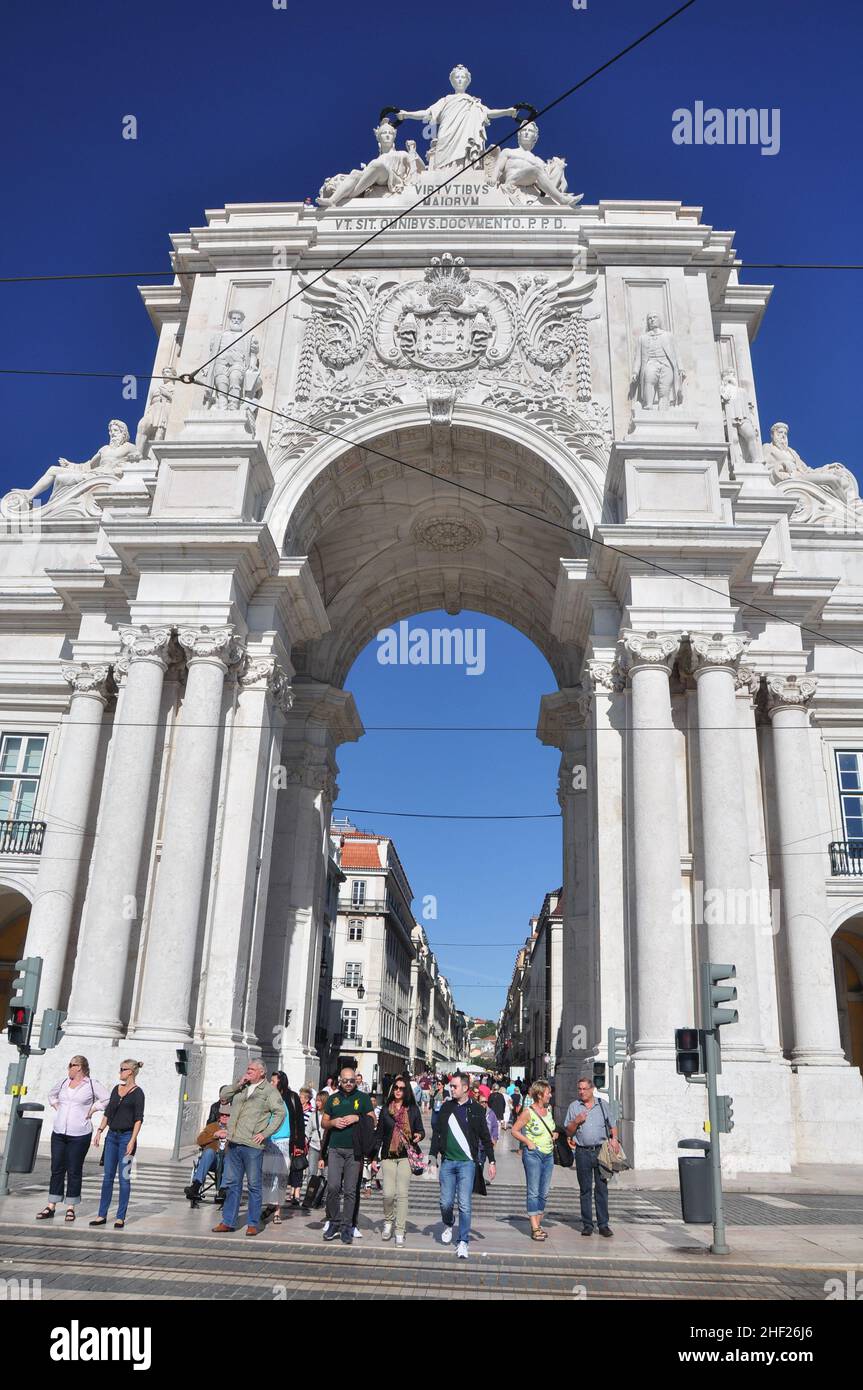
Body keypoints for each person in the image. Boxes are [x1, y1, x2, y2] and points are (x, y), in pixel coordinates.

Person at [212, 1060, 286, 1237]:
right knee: (232, 1184)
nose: (248, 1072)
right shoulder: (242, 1087)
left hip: (253, 1145)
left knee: (254, 1185)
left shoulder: (269, 1091)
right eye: (248, 1069)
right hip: (234, 1142)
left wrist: (266, 1133)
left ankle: (252, 1223)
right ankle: (228, 1221)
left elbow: (280, 1113)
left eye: (252, 1070)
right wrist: (238, 1083)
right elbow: (223, 1096)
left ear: (262, 1073)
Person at [430, 1071, 496, 1260]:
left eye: (454, 1086)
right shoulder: (446, 1108)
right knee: (446, 1203)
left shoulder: (476, 1109)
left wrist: (491, 1161)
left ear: (465, 1088)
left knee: (465, 1204)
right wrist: (433, 1156)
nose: (451, 1089)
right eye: (451, 1086)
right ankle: (449, 1222)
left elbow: (485, 1136)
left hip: (467, 1163)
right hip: (448, 1162)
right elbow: (437, 1133)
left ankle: (463, 1242)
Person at [37, 1056, 109, 1223]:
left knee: (74, 1169)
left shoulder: (91, 1084)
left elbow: (107, 1099)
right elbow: (51, 1095)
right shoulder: (63, 1082)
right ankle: (51, 1205)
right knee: (56, 1168)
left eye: (71, 1065)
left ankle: (71, 1207)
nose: (68, 1067)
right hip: (59, 1132)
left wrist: (93, 1109)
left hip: (80, 1133)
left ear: (79, 1068)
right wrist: (57, 1107)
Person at [322, 1063, 375, 1245]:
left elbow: (372, 1119)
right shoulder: (332, 1099)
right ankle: (334, 1222)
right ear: (340, 1081)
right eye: (346, 1081)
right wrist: (333, 1122)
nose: (349, 1083)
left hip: (355, 1150)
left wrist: (357, 1117)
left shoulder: (363, 1098)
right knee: (333, 1187)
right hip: (335, 1149)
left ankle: (347, 1227)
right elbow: (324, 1122)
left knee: (351, 1191)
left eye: (352, 1080)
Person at [90, 1060, 145, 1229]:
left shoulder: (138, 1093)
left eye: (122, 1069)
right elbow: (108, 1112)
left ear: (130, 1072)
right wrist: (100, 1130)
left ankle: (120, 1217)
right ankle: (102, 1214)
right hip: (111, 1137)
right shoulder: (116, 1089)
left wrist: (132, 1140)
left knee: (124, 1179)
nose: (119, 1072)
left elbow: (138, 1119)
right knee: (107, 1178)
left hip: (126, 1137)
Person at [372, 1074, 425, 1247]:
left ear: (406, 1091)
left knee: (402, 1194)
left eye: (402, 1088)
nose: (398, 1091)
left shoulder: (413, 1110)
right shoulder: (386, 1109)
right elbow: (379, 1134)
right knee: (388, 1193)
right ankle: (388, 1221)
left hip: (405, 1157)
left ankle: (400, 1231)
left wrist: (419, 1135)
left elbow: (421, 1130)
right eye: (396, 1088)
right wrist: (374, 1157)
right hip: (388, 1156)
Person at [565, 1076, 620, 1238]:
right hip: (582, 1152)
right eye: (579, 1089)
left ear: (592, 1089)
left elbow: (613, 1125)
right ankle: (587, 1224)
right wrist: (576, 1121)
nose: (581, 1092)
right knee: (585, 1189)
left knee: (602, 1188)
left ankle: (603, 1225)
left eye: (584, 1089)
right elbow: (568, 1131)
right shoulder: (574, 1107)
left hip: (601, 1150)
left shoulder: (602, 1105)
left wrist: (614, 1139)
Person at [511, 1079, 558, 1241]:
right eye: (548, 1093)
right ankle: (535, 1227)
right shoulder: (528, 1112)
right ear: (539, 1095)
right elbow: (515, 1130)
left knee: (544, 1192)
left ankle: (537, 1224)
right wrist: (528, 1142)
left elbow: (551, 1128)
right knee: (533, 1191)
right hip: (533, 1155)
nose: (550, 1096)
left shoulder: (549, 1109)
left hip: (548, 1154)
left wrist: (554, 1134)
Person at [263, 1071, 306, 1223]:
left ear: (280, 1082)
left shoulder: (292, 1097)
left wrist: (300, 1145)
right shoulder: (267, 1096)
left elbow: (299, 1122)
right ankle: (270, 1205)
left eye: (273, 1081)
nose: (270, 1083)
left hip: (285, 1142)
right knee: (268, 1177)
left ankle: (277, 1212)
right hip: (268, 1141)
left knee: (280, 1177)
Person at [185, 1091, 232, 1203]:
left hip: (227, 1161)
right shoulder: (212, 1127)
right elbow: (199, 1141)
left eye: (228, 1115)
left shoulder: (234, 1129)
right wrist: (214, 1136)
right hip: (213, 1161)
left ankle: (223, 1190)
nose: (225, 1117)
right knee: (209, 1152)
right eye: (223, 1115)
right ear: (219, 1116)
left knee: (230, 1158)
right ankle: (196, 1186)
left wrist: (229, 1136)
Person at [303, 1089, 328, 1210]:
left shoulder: (329, 1115)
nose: (317, 1103)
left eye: (319, 1101)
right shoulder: (313, 1115)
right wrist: (305, 1140)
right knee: (311, 1173)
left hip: (326, 1149)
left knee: (325, 1175)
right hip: (314, 1146)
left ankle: (322, 1198)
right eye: (316, 1100)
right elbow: (307, 1131)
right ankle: (310, 1197)